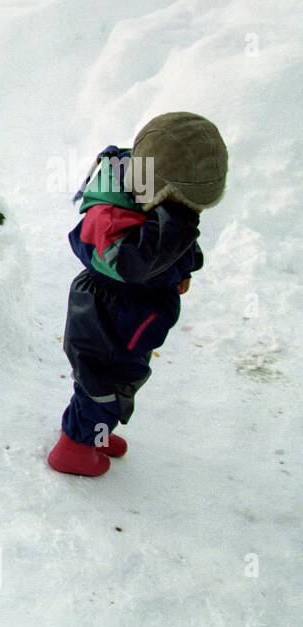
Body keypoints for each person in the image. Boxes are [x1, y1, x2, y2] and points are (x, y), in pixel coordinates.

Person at [49, 112, 228, 476]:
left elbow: (172, 252)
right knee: (108, 385)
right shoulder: (131, 222)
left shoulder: (138, 186)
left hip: (116, 307)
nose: (190, 214)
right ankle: (75, 447)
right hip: (115, 313)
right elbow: (141, 262)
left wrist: (184, 266)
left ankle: (94, 433)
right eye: (186, 206)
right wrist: (180, 225)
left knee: (106, 378)